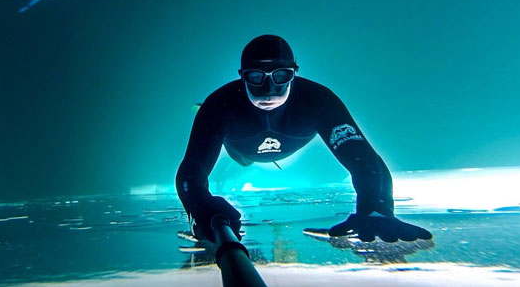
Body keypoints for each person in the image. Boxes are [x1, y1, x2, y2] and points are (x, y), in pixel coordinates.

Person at [175, 35, 433, 243]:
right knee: (242, 160)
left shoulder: (318, 101)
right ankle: (240, 164)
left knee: (245, 158)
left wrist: (376, 208)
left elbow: (365, 159)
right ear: (242, 75)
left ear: (294, 73)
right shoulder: (219, 105)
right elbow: (192, 168)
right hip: (240, 149)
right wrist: (200, 205)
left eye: (280, 76)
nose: (268, 90)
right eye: (256, 77)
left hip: (269, 144)